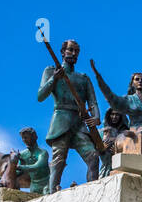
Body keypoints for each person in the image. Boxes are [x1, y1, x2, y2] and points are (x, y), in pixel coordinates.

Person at [37, 39, 100, 190]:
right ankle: (52, 192)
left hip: (79, 123)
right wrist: (55, 78)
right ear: (63, 52)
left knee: (93, 157)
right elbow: (40, 96)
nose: (73, 53)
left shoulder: (83, 78)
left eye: (76, 51)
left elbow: (92, 102)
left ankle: (93, 189)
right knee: (58, 160)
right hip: (61, 120)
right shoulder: (51, 71)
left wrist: (96, 117)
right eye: (70, 50)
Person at [13, 127, 50, 194]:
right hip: (34, 186)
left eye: (26, 137)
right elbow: (18, 172)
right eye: (22, 138)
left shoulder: (43, 153)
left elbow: (37, 166)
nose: (24, 140)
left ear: (34, 137)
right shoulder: (22, 154)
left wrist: (20, 167)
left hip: (46, 183)